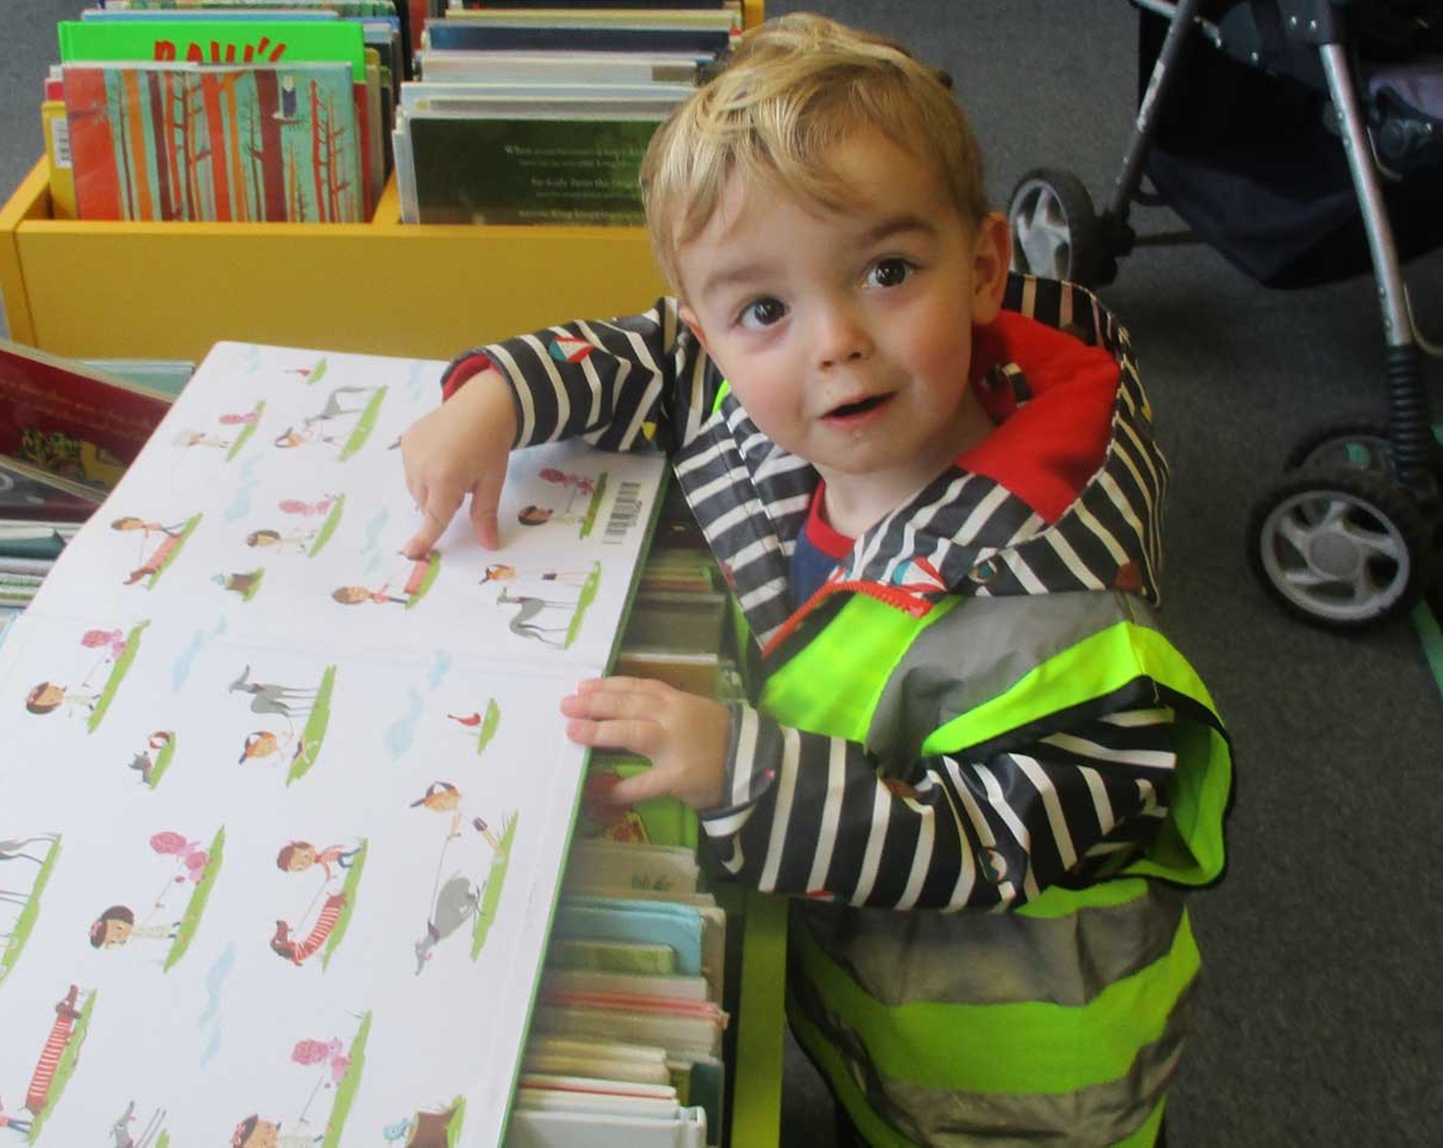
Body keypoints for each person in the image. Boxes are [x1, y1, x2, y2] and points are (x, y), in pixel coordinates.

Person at [395, 14, 1233, 1146]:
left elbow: (986, 845)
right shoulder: (766, 383)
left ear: (985, 266)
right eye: (765, 310)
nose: (834, 339)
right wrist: (496, 395)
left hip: (1016, 1078)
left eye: (887, 270)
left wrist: (746, 773)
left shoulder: (1058, 618)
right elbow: (664, 358)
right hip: (861, 999)